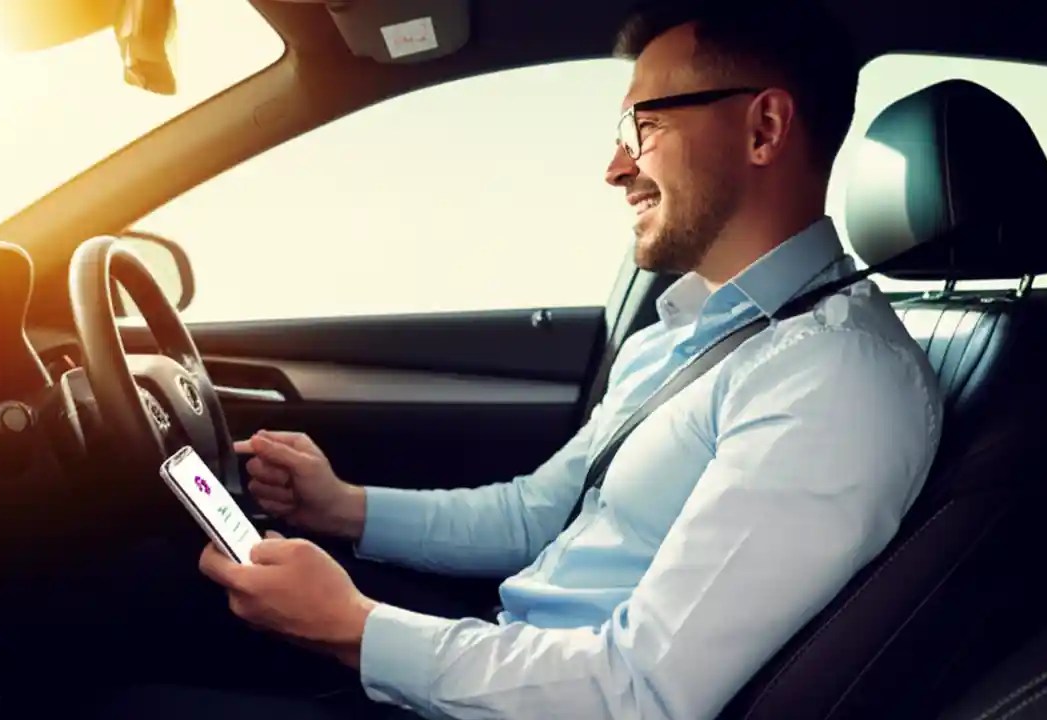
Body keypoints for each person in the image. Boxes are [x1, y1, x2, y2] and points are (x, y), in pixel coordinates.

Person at [101, 1, 943, 718]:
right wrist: (344, 507)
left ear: (763, 127)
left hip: (552, 692)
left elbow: (640, 692)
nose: (616, 166)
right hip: (514, 655)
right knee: (148, 606)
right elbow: (540, 514)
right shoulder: (691, 332)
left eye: (644, 127)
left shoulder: (832, 379)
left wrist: (354, 625)